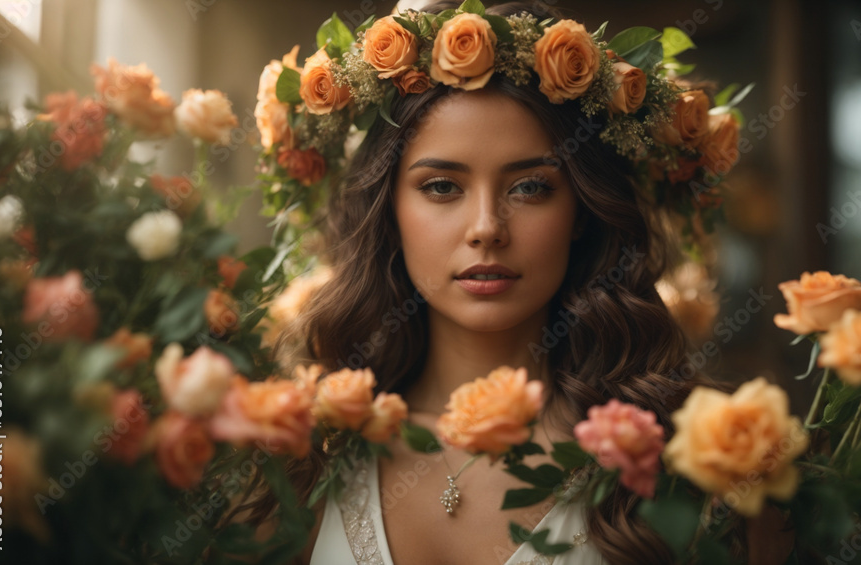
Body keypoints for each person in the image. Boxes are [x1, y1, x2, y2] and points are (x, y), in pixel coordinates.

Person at [221, 1, 796, 564]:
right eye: (442, 187)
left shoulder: (694, 459)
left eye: (530, 188)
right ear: (389, 212)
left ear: (582, 213)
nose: (486, 230)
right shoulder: (300, 456)